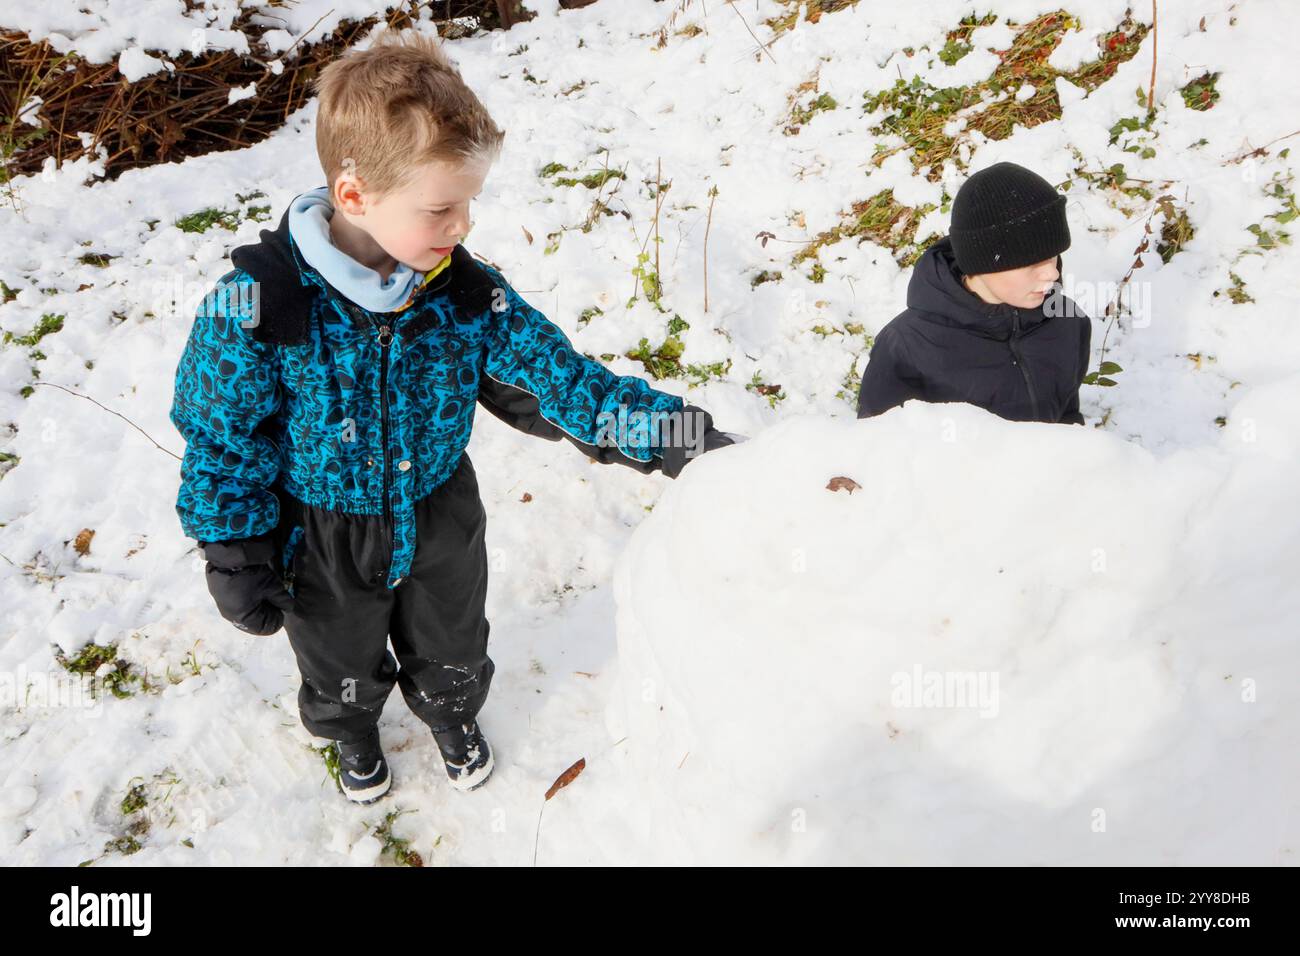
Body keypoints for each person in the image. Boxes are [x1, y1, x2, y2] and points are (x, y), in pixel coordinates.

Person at [169, 30, 736, 804]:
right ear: (355, 195)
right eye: (441, 206)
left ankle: (449, 713)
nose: (462, 224)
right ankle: (353, 733)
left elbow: (568, 387)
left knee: (454, 642)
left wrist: (682, 437)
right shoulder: (261, 307)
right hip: (321, 534)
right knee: (336, 657)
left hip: (439, 516)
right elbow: (221, 436)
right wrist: (232, 547)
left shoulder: (465, 298)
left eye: (469, 202)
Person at [857, 161, 1092, 425]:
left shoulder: (1068, 322)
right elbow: (878, 448)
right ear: (982, 263)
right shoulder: (907, 346)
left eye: (1053, 256)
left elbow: (1066, 415)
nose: (1052, 274)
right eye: (1032, 263)